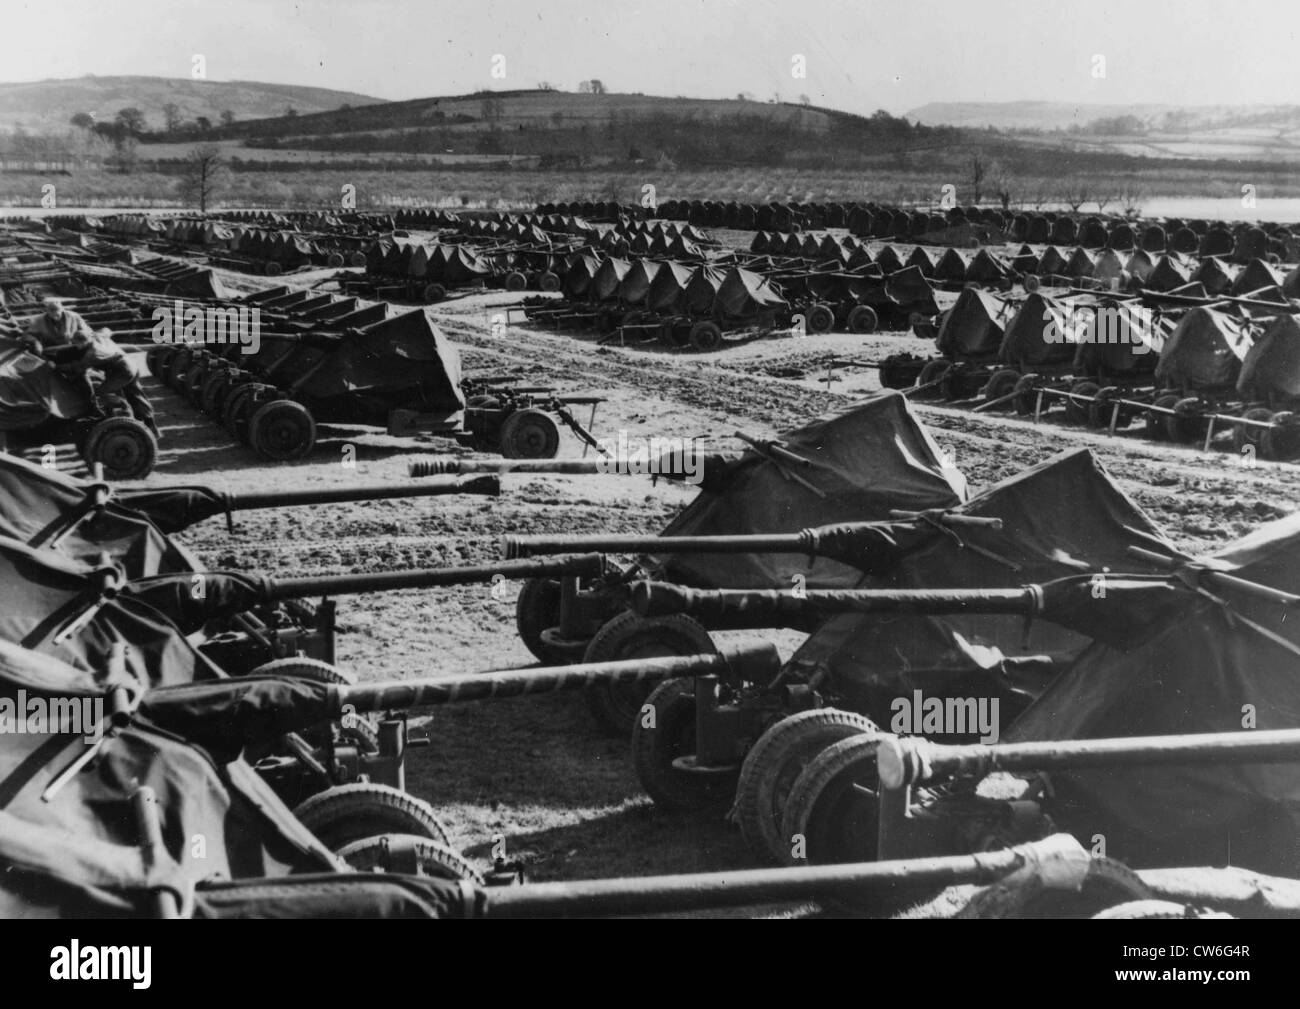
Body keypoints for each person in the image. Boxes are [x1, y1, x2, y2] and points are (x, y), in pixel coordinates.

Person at [45, 327, 161, 439]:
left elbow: (78, 367)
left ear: (84, 342)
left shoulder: (93, 353)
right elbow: (106, 330)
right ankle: (151, 427)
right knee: (136, 396)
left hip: (122, 371)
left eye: (77, 344)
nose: (75, 346)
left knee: (102, 393)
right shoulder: (96, 336)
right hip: (130, 365)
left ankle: (122, 415)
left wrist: (56, 366)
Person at [22, 297, 95, 353]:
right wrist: (36, 342)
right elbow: (27, 335)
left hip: (72, 348)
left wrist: (81, 338)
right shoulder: (38, 320)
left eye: (57, 311)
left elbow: (87, 330)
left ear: (62, 308)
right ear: (47, 310)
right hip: (50, 351)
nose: (55, 314)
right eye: (51, 311)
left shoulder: (74, 316)